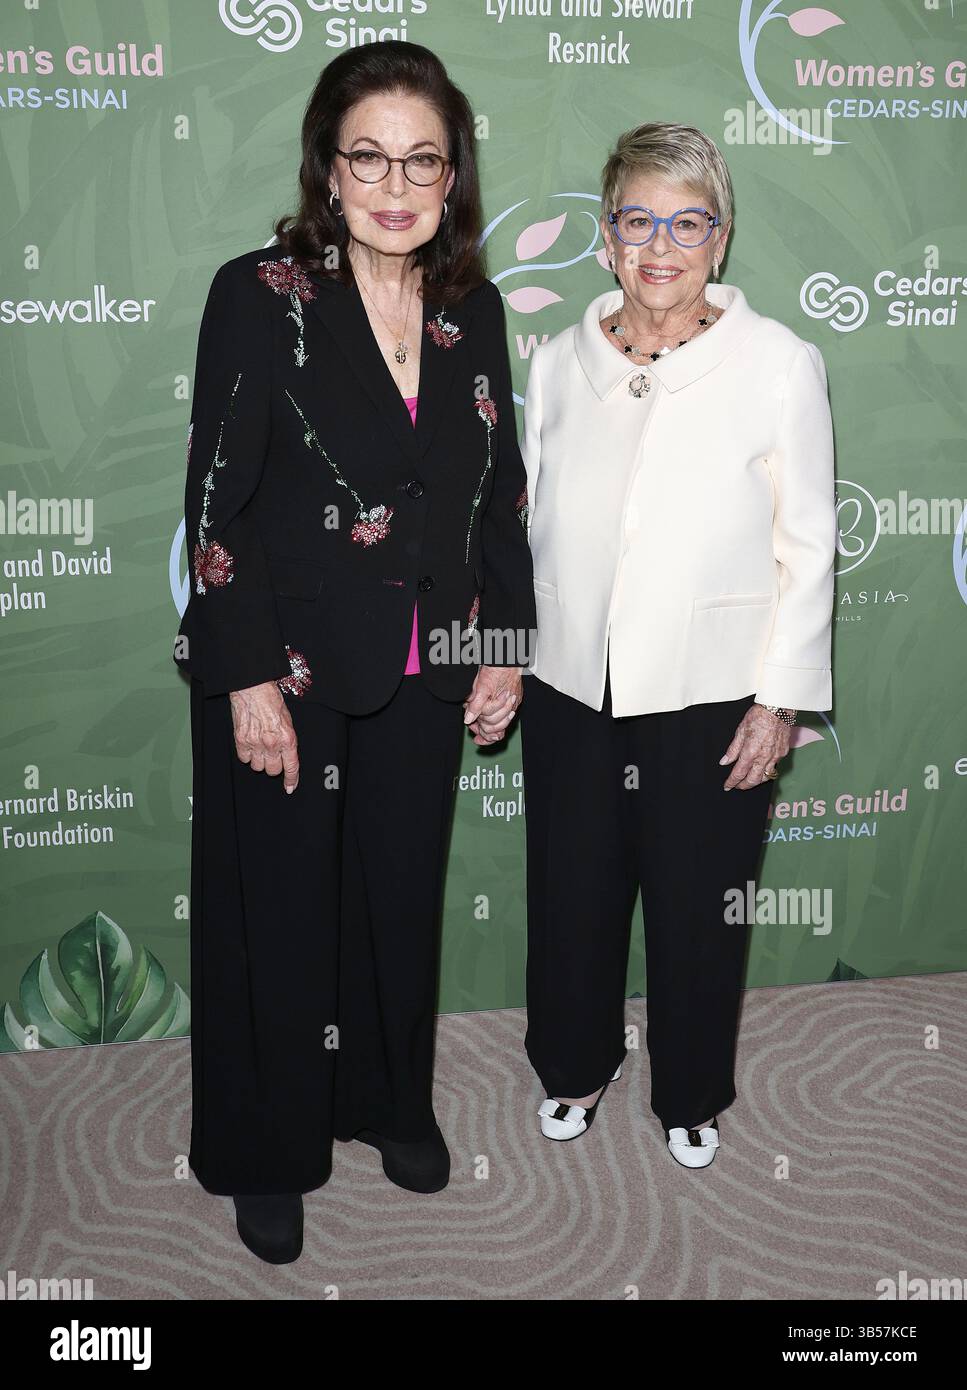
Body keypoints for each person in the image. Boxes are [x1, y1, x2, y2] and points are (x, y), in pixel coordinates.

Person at [173, 40, 534, 1262]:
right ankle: (266, 1147)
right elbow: (216, 502)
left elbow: (498, 496)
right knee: (274, 907)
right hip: (288, 662)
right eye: (367, 155)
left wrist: (505, 647)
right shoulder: (259, 293)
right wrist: (243, 676)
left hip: (427, 660)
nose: (394, 182)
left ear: (451, 173)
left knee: (395, 896)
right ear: (329, 170)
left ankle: (386, 1100)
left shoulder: (468, 308)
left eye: (420, 158)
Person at [518, 122, 835, 1168]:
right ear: (606, 238)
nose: (661, 245)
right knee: (570, 894)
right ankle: (575, 1063)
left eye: (686, 222)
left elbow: (808, 544)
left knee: (701, 906)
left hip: (714, 691)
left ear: (721, 238)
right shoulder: (558, 361)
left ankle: (690, 1088)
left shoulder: (780, 364)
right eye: (638, 220)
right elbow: (525, 523)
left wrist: (779, 699)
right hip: (573, 681)